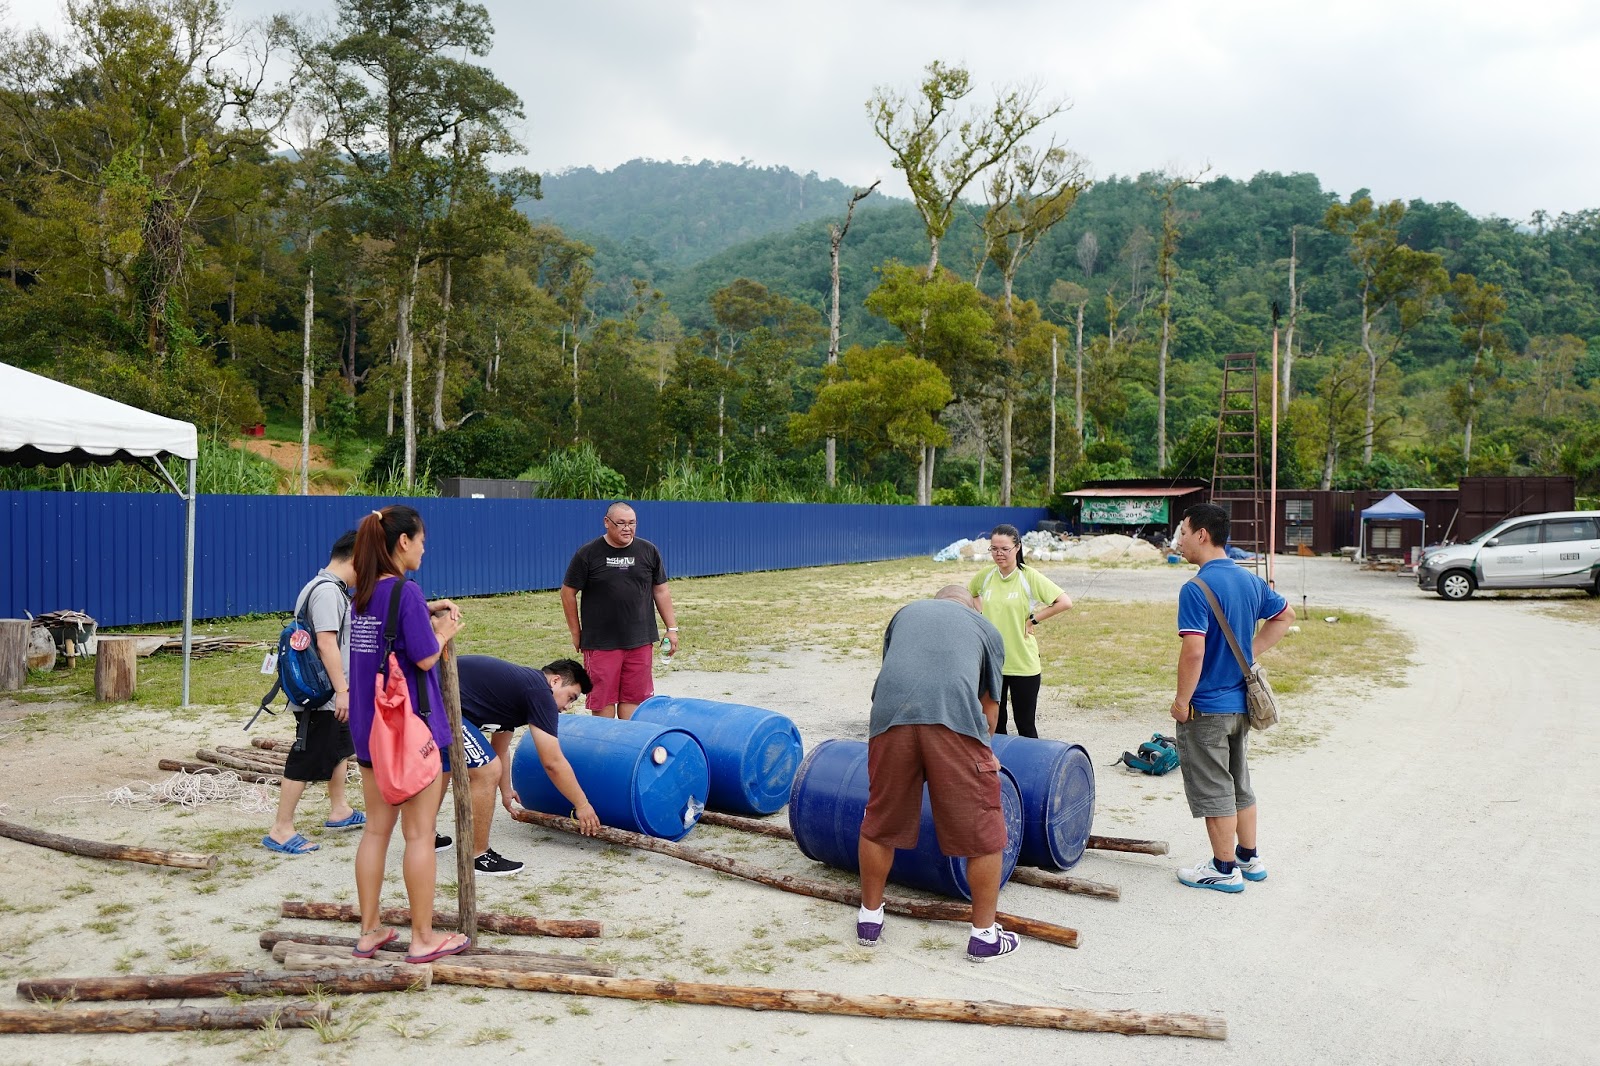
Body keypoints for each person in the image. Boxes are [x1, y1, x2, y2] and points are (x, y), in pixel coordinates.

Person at [856, 585, 1019, 963]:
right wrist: (983, 755)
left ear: (936, 600)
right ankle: (984, 937)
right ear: (973, 606)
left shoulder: (905, 614)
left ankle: (869, 920)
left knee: (879, 820)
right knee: (984, 829)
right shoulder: (984, 628)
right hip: (954, 723)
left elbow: (892, 676)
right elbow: (990, 709)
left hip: (890, 720)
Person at [345, 505, 469, 963]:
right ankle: (422, 938)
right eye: (421, 541)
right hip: (411, 732)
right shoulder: (406, 591)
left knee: (376, 831)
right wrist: (445, 631)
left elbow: (390, 627)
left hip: (370, 730)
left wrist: (425, 609)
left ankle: (369, 931)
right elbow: (423, 655)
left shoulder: (361, 592)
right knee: (419, 835)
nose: (423, 548)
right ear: (403, 542)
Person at [1169, 502, 1295, 893]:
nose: (1180, 540)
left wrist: (1181, 702)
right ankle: (1248, 857)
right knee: (1239, 782)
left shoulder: (1195, 588)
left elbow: (1194, 651)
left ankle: (1223, 869)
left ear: (1202, 534)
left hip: (1207, 708)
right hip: (1241, 704)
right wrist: (1249, 652)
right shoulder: (1249, 580)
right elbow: (1285, 616)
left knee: (1214, 789)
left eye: (1184, 532)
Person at [262, 530, 364, 855]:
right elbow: (326, 643)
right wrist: (342, 690)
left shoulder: (330, 588)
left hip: (334, 693)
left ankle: (340, 809)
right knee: (307, 755)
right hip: (324, 695)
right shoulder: (327, 592)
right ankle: (281, 829)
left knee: (339, 749)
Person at [455, 655, 602, 876]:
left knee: (444, 765)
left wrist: (506, 791)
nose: (567, 707)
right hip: (435, 698)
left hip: (427, 694)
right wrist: (582, 804)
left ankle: (429, 837)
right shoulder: (540, 692)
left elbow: (500, 749)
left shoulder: (519, 692)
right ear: (555, 681)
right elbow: (552, 762)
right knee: (487, 770)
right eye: (570, 697)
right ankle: (477, 856)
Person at [561, 501, 678, 720]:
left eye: (632, 523)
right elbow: (567, 593)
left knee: (634, 699)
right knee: (603, 700)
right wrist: (576, 633)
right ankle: (605, 741)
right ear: (607, 522)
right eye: (621, 523)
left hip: (640, 640)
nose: (627, 528)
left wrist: (672, 629)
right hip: (601, 643)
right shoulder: (588, 553)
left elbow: (661, 590)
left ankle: (627, 741)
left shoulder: (648, 551)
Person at [967, 524, 1071, 739]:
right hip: (993, 664)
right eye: (994, 549)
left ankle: (1030, 761)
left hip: (1023, 663)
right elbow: (970, 594)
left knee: (1025, 724)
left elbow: (1064, 602)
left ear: (1017, 548)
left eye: (1005, 549)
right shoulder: (986, 576)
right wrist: (981, 614)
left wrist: (1033, 620)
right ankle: (997, 762)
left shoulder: (1028, 577)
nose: (999, 554)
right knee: (995, 725)